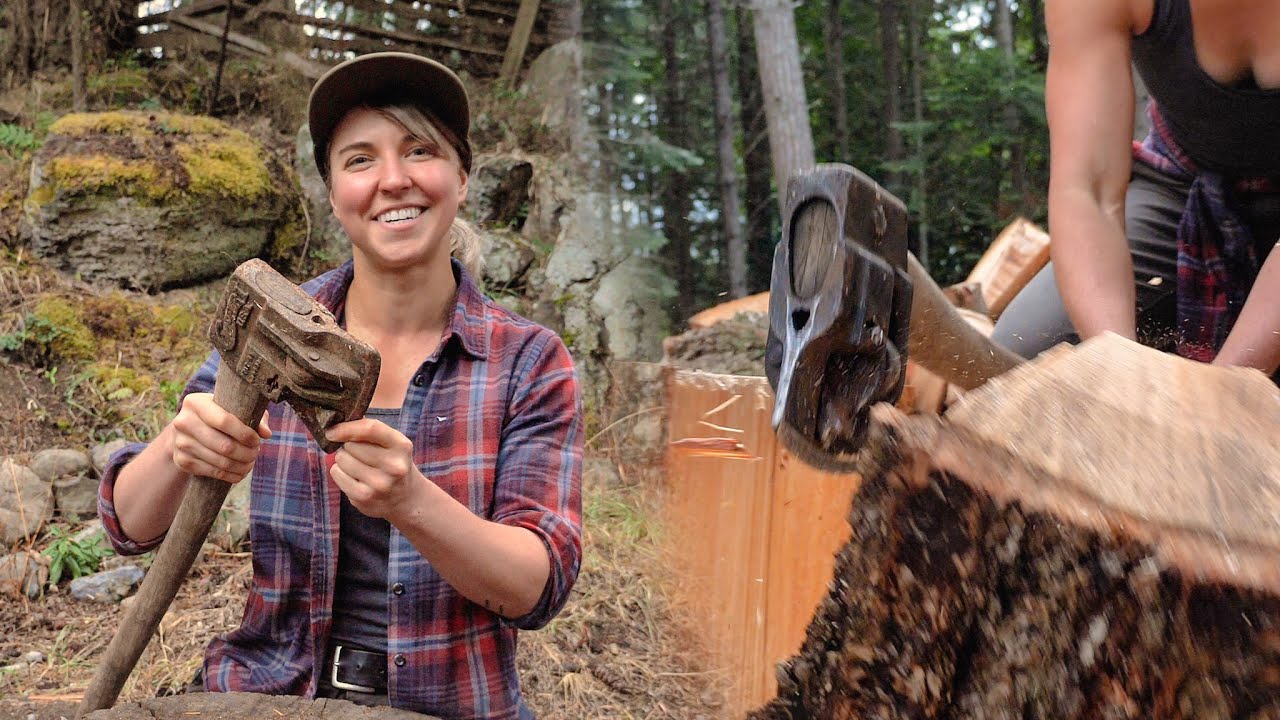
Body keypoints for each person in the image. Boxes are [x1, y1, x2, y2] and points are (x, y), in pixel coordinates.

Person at [98, 52, 584, 720]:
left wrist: (413, 503)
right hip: (265, 701)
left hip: (450, 709)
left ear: (462, 178)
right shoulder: (273, 321)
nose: (393, 179)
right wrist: (179, 450)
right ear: (332, 194)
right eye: (360, 159)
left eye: (420, 150)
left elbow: (537, 588)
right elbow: (128, 525)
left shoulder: (528, 361)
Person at [992, 0, 1280, 379]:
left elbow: (1229, 389)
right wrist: (1118, 367)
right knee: (1025, 352)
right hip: (1183, 184)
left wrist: (1225, 387)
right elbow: (1088, 190)